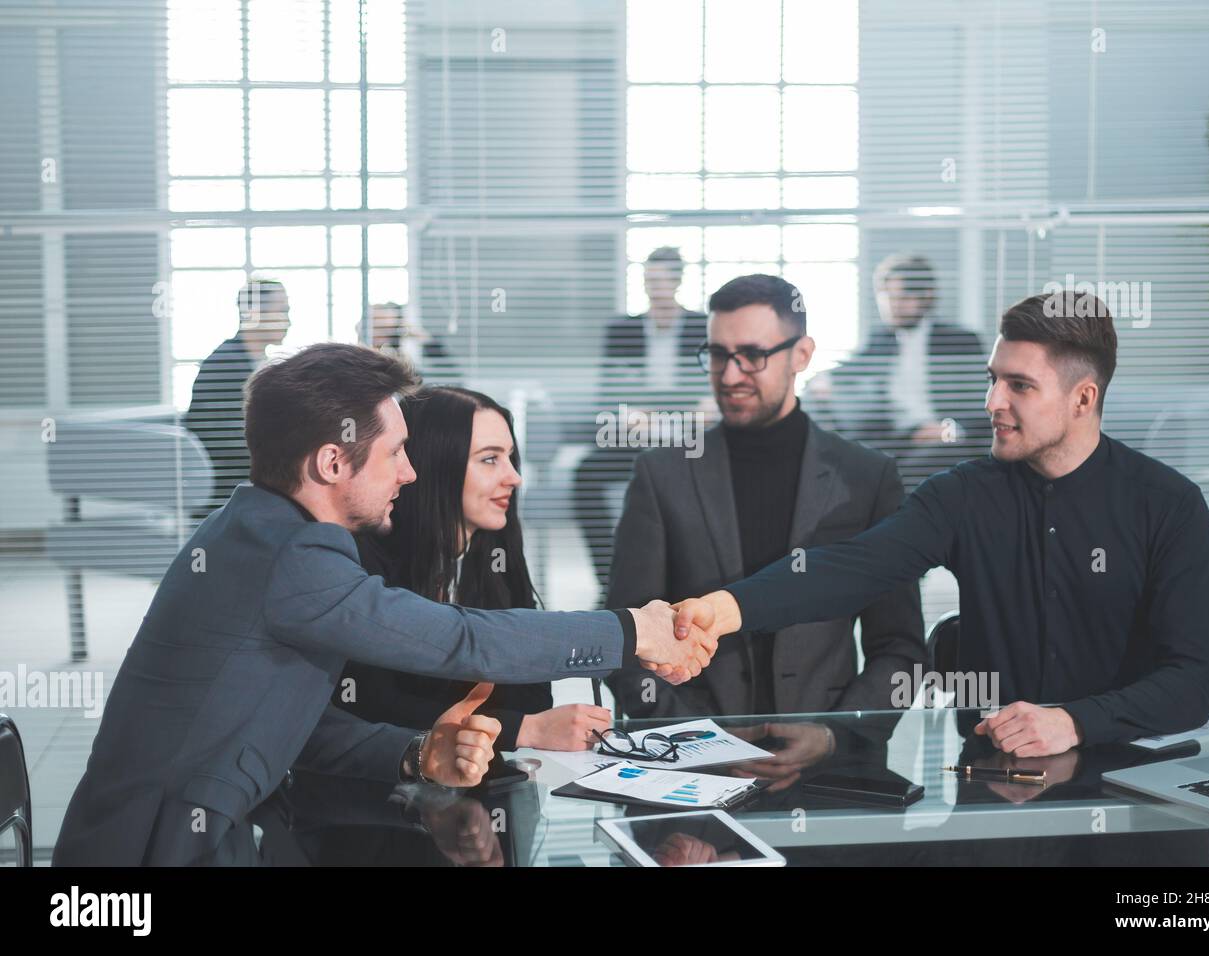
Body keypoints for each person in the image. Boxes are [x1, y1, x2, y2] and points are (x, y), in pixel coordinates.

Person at [54, 343, 715, 866]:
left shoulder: (259, 529)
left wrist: (414, 753)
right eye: (395, 452)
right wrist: (632, 630)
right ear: (332, 463)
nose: (408, 470)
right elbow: (458, 639)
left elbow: (296, 723)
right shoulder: (297, 557)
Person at [670, 291, 1209, 756]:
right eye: (993, 380)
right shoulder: (964, 494)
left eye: (1019, 386)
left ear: (1083, 398)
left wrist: (1073, 722)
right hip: (995, 787)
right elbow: (851, 568)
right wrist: (721, 610)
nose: (991, 401)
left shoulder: (1170, 506)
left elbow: (1196, 681)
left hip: (1130, 786)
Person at [605, 274, 925, 723]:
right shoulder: (662, 476)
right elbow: (624, 636)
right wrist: (695, 742)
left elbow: (900, 648)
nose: (730, 375)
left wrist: (836, 738)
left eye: (752, 356)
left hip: (829, 765)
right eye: (717, 355)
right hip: (694, 764)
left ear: (802, 354)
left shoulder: (866, 477)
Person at [336, 386, 611, 751]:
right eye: (489, 459)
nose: (514, 477)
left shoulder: (492, 556)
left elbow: (530, 696)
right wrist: (523, 730)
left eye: (510, 458)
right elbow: (371, 706)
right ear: (436, 465)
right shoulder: (362, 564)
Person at [573, 247, 709, 597]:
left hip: (686, 437)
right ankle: (611, 582)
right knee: (585, 475)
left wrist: (670, 417)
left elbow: (708, 397)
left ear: (677, 282)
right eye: (647, 280)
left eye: (659, 280)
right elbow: (608, 394)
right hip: (633, 436)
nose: (652, 288)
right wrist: (632, 415)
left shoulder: (701, 327)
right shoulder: (623, 330)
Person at [804, 253, 986, 491]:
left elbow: (983, 402)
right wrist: (822, 382)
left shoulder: (960, 342)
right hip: (894, 439)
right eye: (886, 296)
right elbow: (846, 372)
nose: (892, 305)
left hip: (941, 439)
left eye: (902, 296)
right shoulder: (879, 340)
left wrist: (948, 428)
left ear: (927, 295)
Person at [185, 277, 292, 517]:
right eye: (282, 311)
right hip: (226, 491)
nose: (289, 321)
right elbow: (218, 435)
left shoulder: (257, 363)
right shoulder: (224, 363)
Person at [365, 301, 459, 386]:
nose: (385, 332)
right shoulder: (363, 357)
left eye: (390, 328)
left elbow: (450, 371)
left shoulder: (394, 357)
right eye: (378, 325)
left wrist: (421, 336)